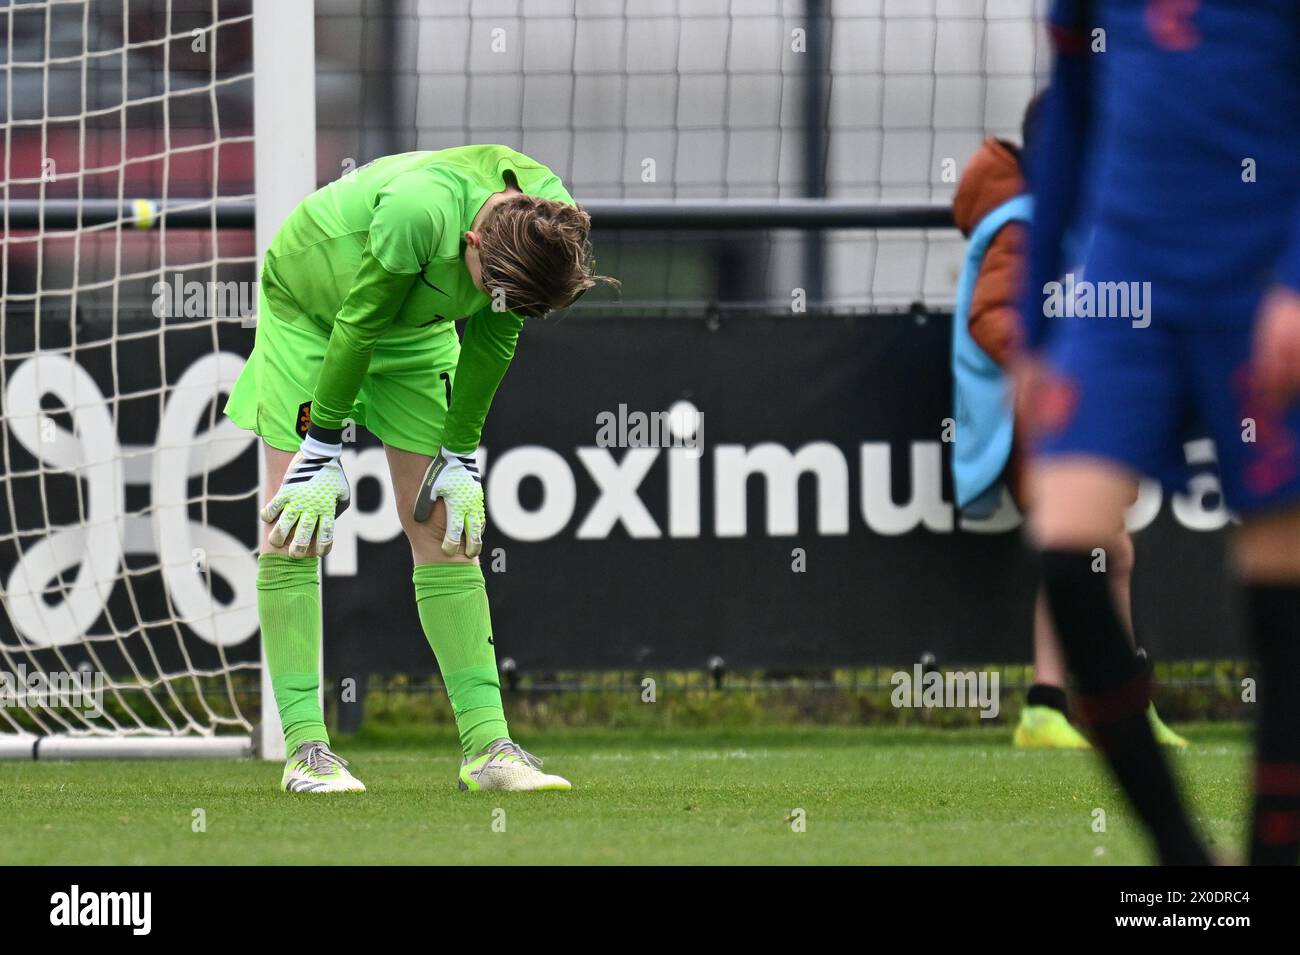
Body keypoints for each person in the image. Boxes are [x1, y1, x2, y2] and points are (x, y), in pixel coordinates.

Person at [225, 144, 614, 793]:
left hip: (418, 331)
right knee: (296, 521)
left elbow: (496, 335)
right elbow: (358, 324)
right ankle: (306, 751)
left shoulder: (548, 220)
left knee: (444, 525)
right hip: (313, 310)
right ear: (471, 243)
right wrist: (321, 445)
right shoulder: (418, 209)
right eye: (486, 289)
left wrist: (460, 454)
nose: (491, 302)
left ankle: (488, 750)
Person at [1019, 0, 1300, 864]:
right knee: (1069, 550)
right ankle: (1185, 863)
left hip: (1260, 285)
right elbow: (1069, 118)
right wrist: (1034, 331)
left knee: (1281, 590)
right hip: (1125, 286)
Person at [949, 96, 1185, 752]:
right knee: (1096, 550)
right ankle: (1081, 707)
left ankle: (1067, 705)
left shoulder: (1082, 222)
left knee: (1098, 553)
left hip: (1074, 414)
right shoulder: (1027, 227)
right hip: (1038, 420)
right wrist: (1053, 367)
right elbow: (993, 316)